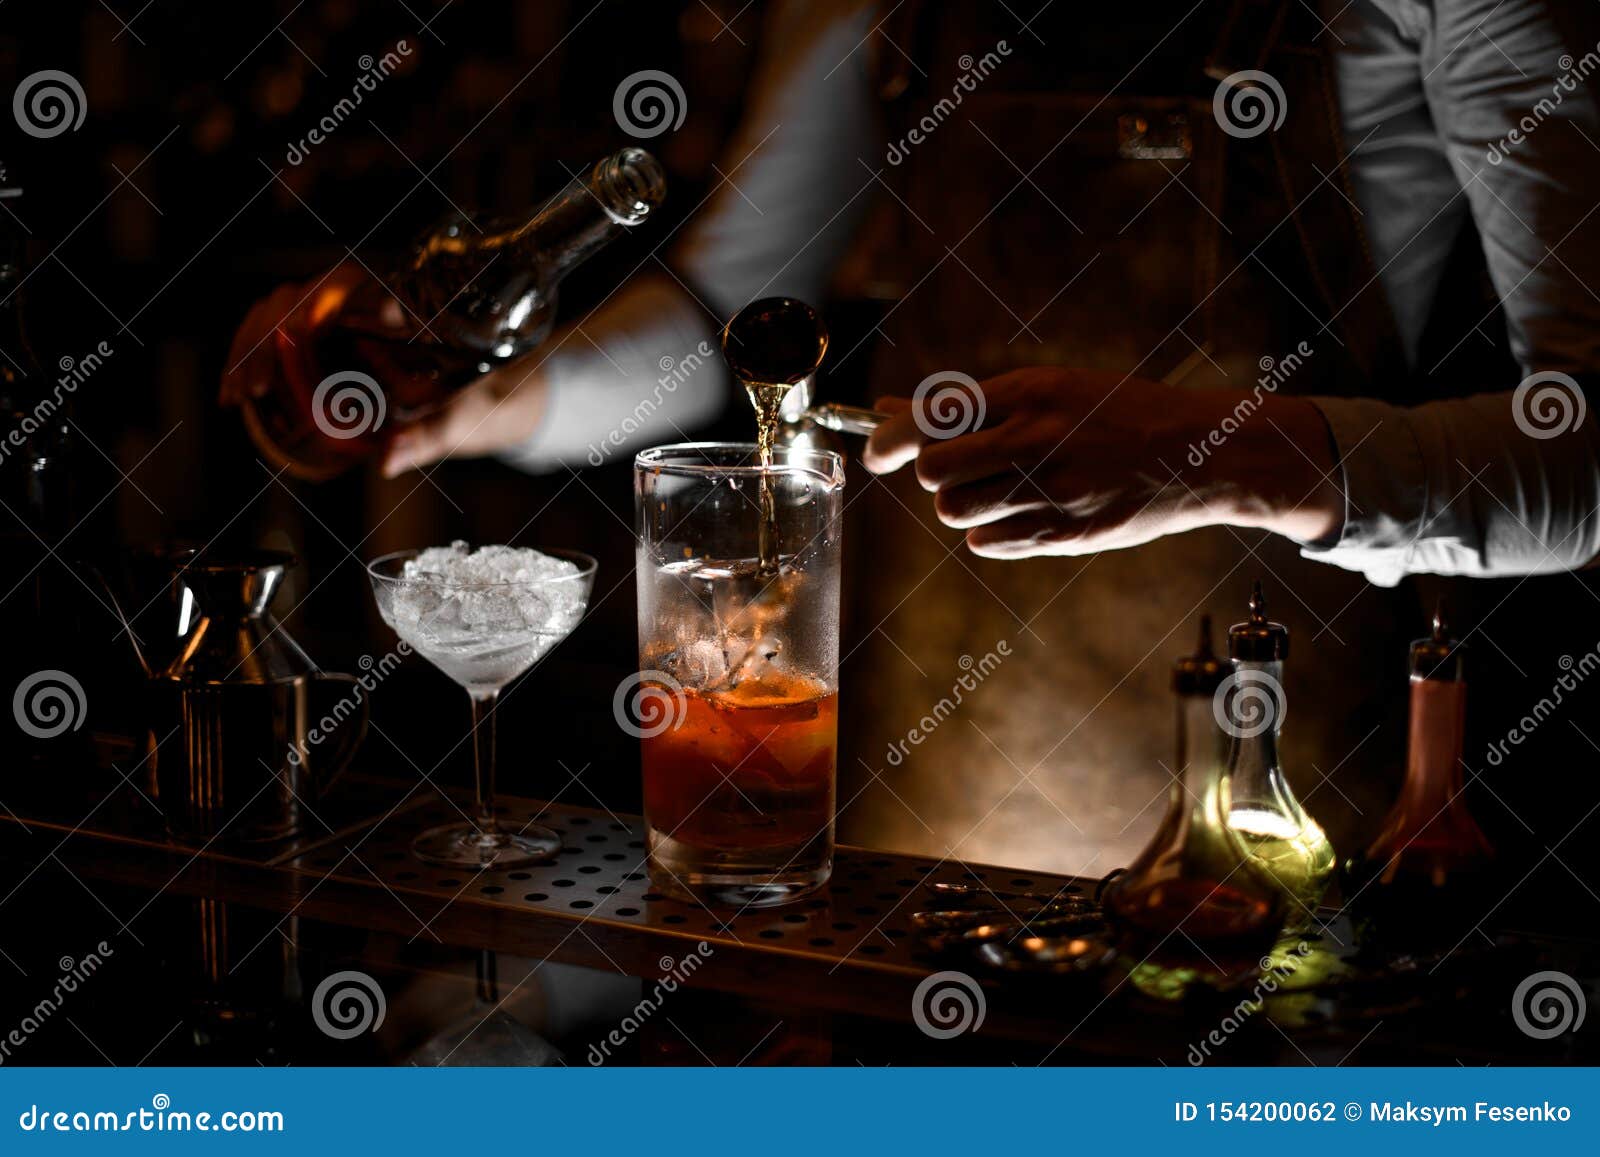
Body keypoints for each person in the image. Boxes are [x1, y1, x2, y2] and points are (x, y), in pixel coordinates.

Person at [222, 0, 1600, 885]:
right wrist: (491, 404)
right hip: (929, 850)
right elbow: (729, 322)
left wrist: (1212, 455)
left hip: (1300, 835)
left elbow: (1585, 453)